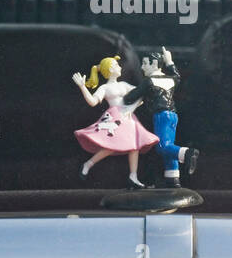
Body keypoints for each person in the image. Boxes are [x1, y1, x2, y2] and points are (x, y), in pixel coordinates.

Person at [72, 55, 157, 188]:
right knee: (111, 145)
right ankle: (88, 164)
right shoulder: (104, 88)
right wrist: (83, 87)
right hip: (114, 117)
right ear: (110, 69)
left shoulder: (124, 85)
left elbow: (142, 94)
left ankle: (133, 176)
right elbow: (93, 102)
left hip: (128, 118)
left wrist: (132, 107)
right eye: (117, 65)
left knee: (134, 145)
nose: (120, 67)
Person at [128, 48, 198, 188]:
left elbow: (130, 97)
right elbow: (177, 75)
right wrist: (169, 61)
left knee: (162, 147)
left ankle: (187, 153)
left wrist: (123, 91)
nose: (142, 67)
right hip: (173, 116)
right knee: (169, 147)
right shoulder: (171, 79)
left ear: (154, 64)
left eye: (145, 63)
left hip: (161, 116)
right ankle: (173, 178)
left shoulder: (149, 81)